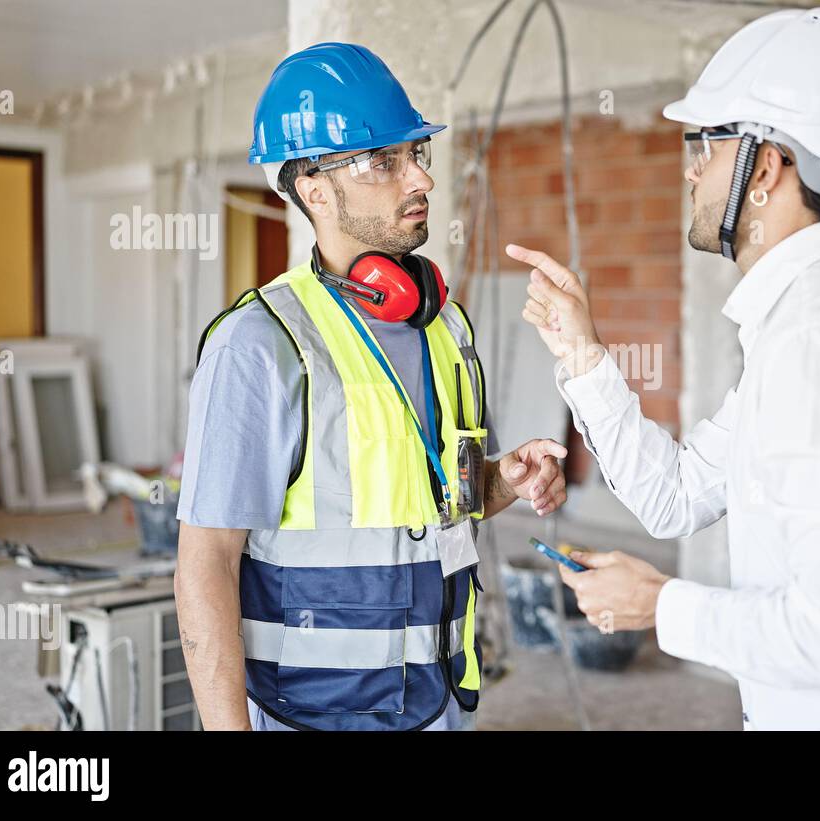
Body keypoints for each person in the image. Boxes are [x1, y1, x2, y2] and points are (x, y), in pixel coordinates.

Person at [510, 8, 820, 730]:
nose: (690, 168)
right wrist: (582, 354)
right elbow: (674, 495)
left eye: (706, 145)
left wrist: (660, 605)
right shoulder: (796, 331)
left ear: (765, 165)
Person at [174, 42, 568, 731]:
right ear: (314, 189)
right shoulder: (260, 343)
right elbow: (206, 564)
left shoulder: (446, 327)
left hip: (442, 704)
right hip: (313, 714)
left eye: (417, 153)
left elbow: (451, 508)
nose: (420, 179)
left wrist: (505, 478)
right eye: (383, 161)